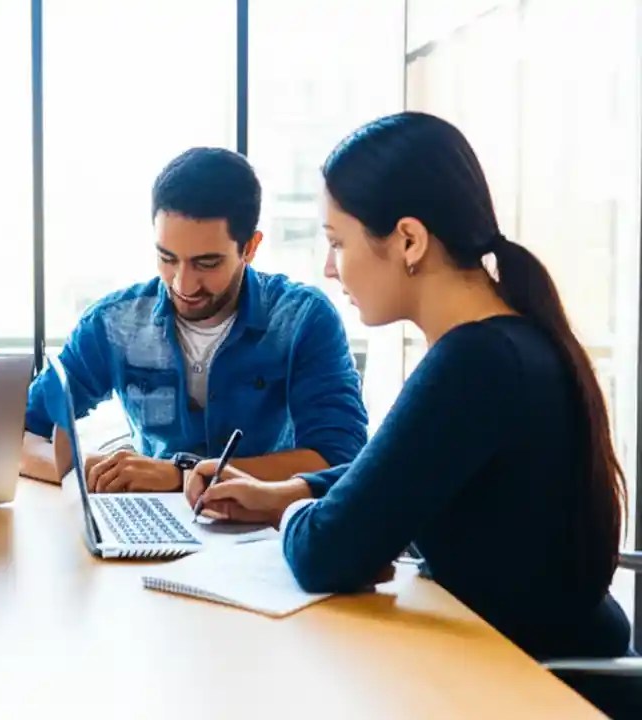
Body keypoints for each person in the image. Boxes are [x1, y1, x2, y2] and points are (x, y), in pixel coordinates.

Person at [187, 112, 632, 673]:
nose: (329, 268)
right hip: (521, 656)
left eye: (338, 242)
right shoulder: (510, 340)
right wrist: (287, 492)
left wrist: (307, 518)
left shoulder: (475, 363)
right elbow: (401, 471)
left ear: (408, 240)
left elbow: (328, 553)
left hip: (535, 686)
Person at [21, 147, 367, 491]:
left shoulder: (303, 319)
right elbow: (17, 435)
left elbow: (339, 459)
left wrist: (182, 474)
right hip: (149, 525)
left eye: (206, 263)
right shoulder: (113, 323)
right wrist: (85, 468)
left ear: (250, 247)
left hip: (268, 529)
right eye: (167, 258)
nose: (183, 284)